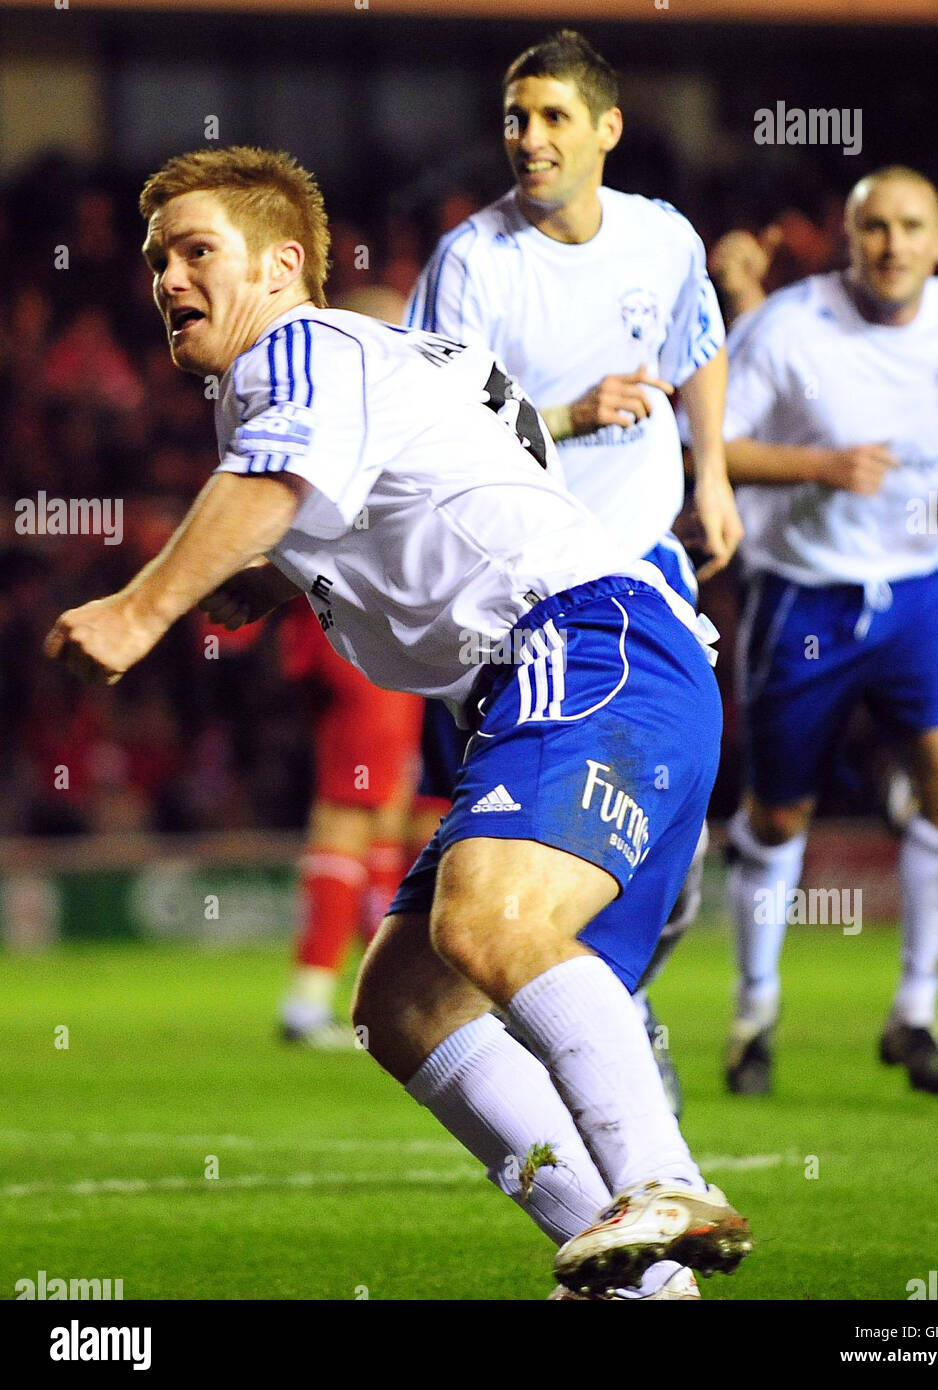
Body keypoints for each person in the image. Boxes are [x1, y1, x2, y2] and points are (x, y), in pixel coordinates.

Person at [44, 146, 750, 1299]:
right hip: (586, 667)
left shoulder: (300, 345)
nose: (167, 278)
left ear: (283, 264)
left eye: (195, 250)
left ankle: (662, 1175)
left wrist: (140, 608)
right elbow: (461, 473)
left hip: (582, 643)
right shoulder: (388, 357)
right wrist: (285, 574)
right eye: (156, 260)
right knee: (403, 1003)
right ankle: (638, 1278)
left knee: (487, 917)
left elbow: (274, 484)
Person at [405, 30, 742, 1112]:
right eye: (514, 117)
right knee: (515, 850)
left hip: (638, 567)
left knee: (664, 838)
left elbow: (698, 349)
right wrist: (566, 414)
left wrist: (716, 477)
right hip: (511, 589)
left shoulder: (661, 241)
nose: (528, 138)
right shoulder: (472, 263)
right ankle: (584, 1031)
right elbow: (433, 433)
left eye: (552, 117)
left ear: (606, 129)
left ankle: (613, 999)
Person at [721, 166, 938, 1096]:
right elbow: (714, 448)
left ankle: (916, 1011)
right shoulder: (786, 327)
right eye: (874, 228)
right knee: (778, 813)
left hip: (927, 590)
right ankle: (754, 1010)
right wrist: (819, 465)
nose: (892, 245)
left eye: (910, 227)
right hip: (805, 596)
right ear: (850, 240)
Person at [277, 284, 423, 1049]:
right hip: (358, 631)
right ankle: (312, 995)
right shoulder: (367, 416)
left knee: (383, 806)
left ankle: (369, 986)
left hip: (342, 634)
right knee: (352, 808)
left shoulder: (312, 409)